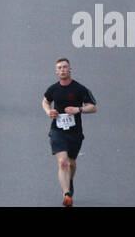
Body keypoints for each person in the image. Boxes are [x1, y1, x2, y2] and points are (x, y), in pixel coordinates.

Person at [42, 57, 98, 206]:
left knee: (71, 163)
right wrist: (49, 111)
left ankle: (70, 181)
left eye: (65, 67)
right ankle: (67, 194)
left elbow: (93, 107)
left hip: (75, 133)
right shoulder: (53, 89)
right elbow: (45, 101)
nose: (62, 70)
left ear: (70, 69)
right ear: (56, 71)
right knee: (62, 163)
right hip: (57, 130)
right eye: (59, 68)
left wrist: (78, 109)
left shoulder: (79, 89)